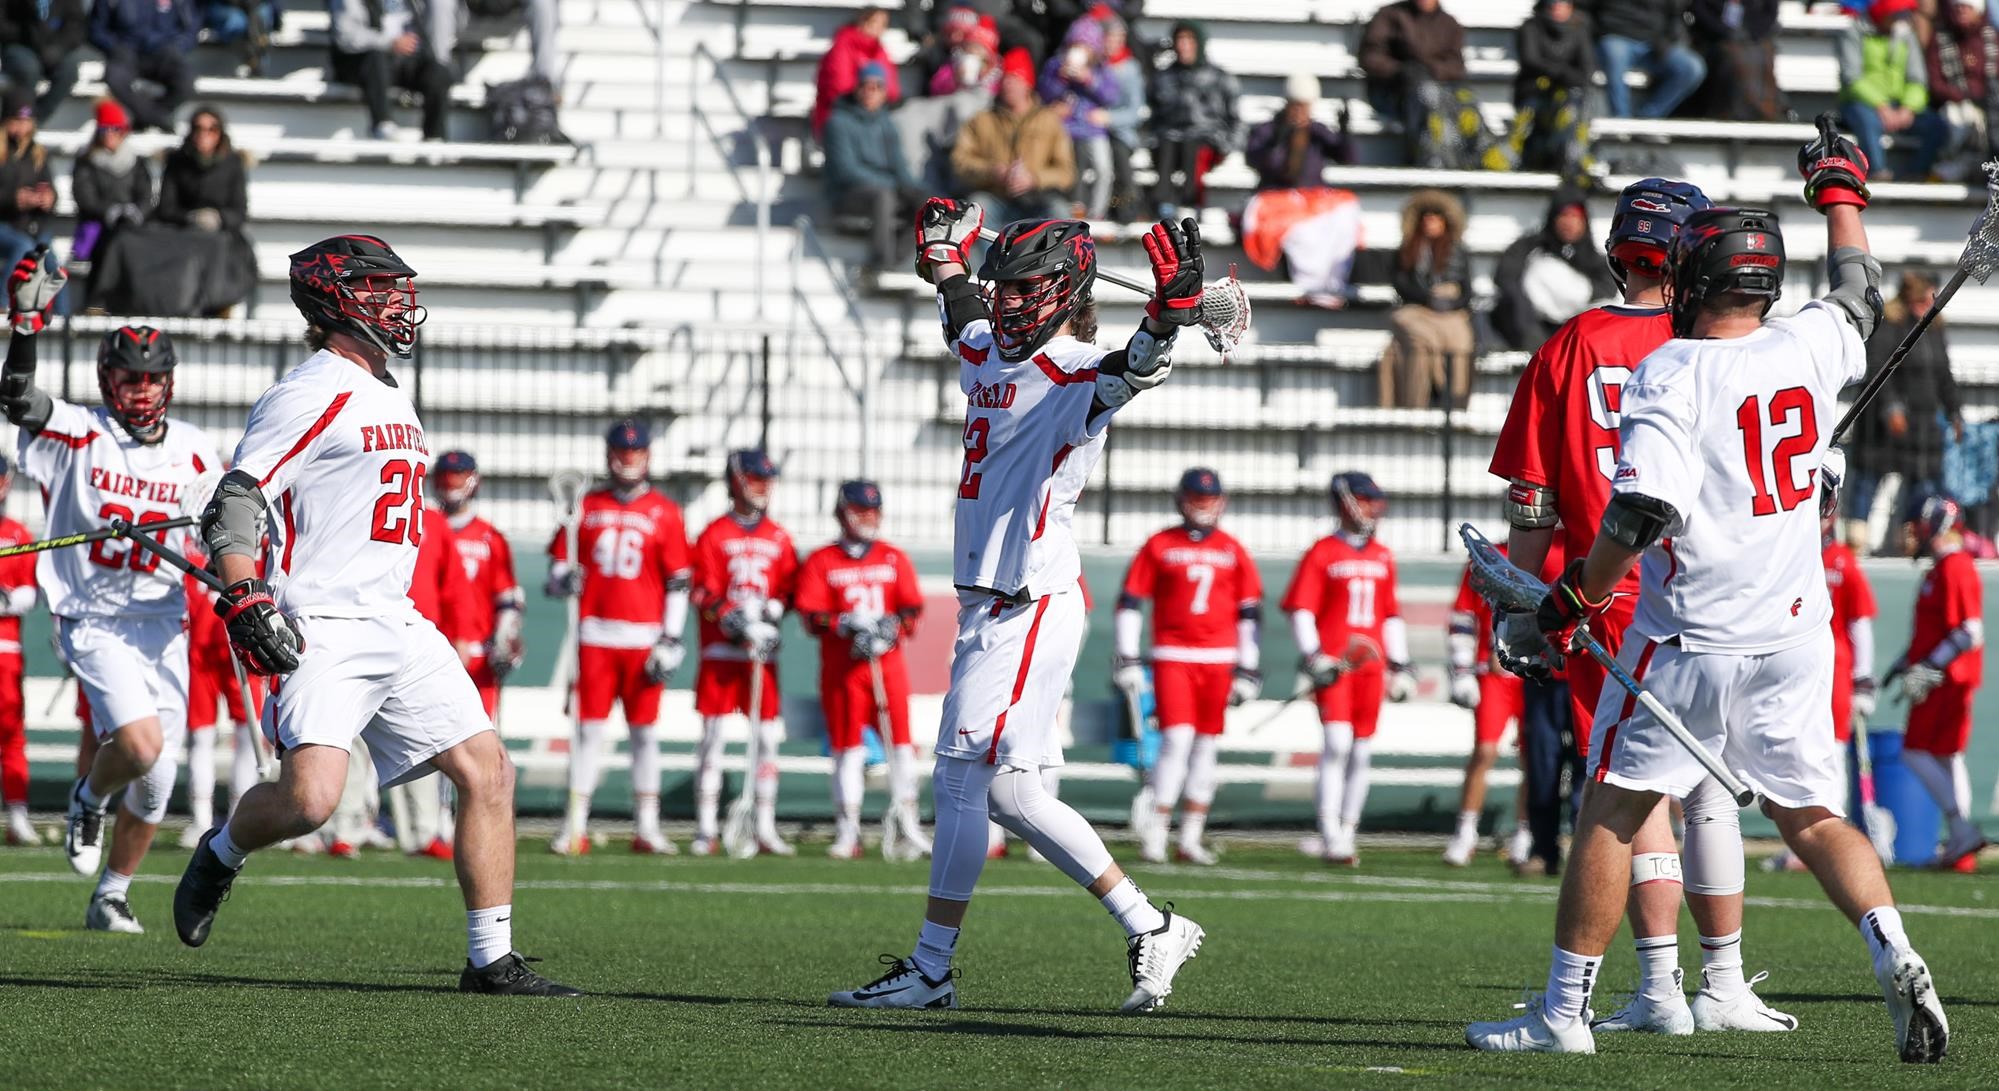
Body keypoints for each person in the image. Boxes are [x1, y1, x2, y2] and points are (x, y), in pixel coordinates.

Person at [1471, 129, 1951, 1062]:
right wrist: (1839, 190)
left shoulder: (1671, 368)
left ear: (1690, 279)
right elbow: (1857, 289)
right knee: (1813, 815)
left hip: (1687, 634)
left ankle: (1564, 1010)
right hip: (1794, 631)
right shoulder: (1809, 342)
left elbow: (1641, 510)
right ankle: (1891, 944)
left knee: (1612, 803)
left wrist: (1572, 595)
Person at [169, 235, 579, 997]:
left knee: (487, 769)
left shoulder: (390, 390)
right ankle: (221, 850)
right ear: (336, 300)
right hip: (321, 619)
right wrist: (246, 590)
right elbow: (236, 495)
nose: (399, 303)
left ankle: (491, 958)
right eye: (381, 289)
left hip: (396, 617)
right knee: (311, 799)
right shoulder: (310, 386)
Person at [828, 201, 1203, 1013]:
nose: (1004, 300)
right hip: (997, 603)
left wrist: (1165, 320)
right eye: (1003, 285)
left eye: (1025, 286)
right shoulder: (982, 345)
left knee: (963, 778)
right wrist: (947, 261)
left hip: (1025, 598)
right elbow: (961, 313)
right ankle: (1149, 923)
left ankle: (931, 967)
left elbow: (1130, 370)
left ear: (1065, 290)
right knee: (1010, 795)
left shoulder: (1072, 370)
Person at [1487, 176, 1795, 1035]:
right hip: (1725, 590)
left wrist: (1522, 600)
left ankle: (1660, 990)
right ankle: (1722, 982)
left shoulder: (1574, 343)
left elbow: (1532, 496)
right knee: (1703, 790)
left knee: (1633, 793)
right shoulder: (1729, 341)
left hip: (1607, 594)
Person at [2, 255, 220, 935]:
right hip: (94, 616)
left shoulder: (193, 450)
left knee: (158, 781)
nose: (144, 390)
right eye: (131, 378)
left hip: (163, 620)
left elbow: (218, 527)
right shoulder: (79, 431)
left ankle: (112, 894)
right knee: (140, 742)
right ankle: (89, 794)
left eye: (154, 378)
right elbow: (16, 397)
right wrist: (26, 324)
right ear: (107, 379)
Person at [545, 419, 690, 856]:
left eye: (635, 452)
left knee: (644, 733)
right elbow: (556, 571)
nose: (628, 460)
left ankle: (647, 824)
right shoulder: (585, 506)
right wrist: (563, 578)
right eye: (621, 452)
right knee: (588, 732)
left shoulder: (665, 511)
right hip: (595, 635)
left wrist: (671, 638)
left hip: (644, 637)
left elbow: (678, 581)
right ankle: (575, 823)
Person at [1116, 467, 1262, 867]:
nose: (1204, 505)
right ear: (1182, 499)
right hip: (1174, 655)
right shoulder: (1160, 544)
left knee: (1205, 747)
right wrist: (1127, 656)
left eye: (1209, 498)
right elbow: (1130, 601)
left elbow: (1249, 611)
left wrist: (1248, 666)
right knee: (1177, 741)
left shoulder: (1232, 549)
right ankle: (1158, 834)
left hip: (1218, 658)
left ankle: (1192, 836)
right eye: (1198, 497)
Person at [1282, 473, 1414, 866]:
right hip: (1336, 666)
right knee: (1337, 745)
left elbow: (1389, 614)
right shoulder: (1322, 551)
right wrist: (1314, 655)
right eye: (1365, 499)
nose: (1373, 507)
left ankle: (1348, 830)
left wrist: (1400, 662)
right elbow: (1302, 608)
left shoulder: (1382, 555)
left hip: (1370, 668)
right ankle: (1329, 830)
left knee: (1361, 750)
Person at [794, 480, 928, 860]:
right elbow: (811, 614)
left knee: (900, 746)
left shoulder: (892, 557)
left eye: (874, 510)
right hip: (843, 668)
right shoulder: (823, 560)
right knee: (847, 749)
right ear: (843, 512)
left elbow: (911, 610)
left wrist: (890, 629)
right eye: (861, 510)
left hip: (887, 666)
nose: (869, 518)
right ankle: (847, 830)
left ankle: (908, 826)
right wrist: (843, 624)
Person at [689, 448, 797, 857]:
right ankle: (704, 828)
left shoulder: (778, 536)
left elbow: (790, 587)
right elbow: (703, 591)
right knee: (713, 740)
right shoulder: (714, 534)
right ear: (735, 481)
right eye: (755, 478)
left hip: (761, 657)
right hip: (721, 652)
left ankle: (765, 826)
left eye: (767, 479)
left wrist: (774, 611)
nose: (763, 487)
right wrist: (733, 619)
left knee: (767, 739)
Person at [1889, 494, 1987, 868]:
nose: (1914, 535)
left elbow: (1969, 630)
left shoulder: (1955, 566)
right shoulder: (1941, 568)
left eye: (1918, 526)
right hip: (1942, 676)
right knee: (1947, 756)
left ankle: (1961, 828)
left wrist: (1930, 665)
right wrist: (1905, 660)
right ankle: (1961, 841)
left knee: (1914, 751)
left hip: (1947, 679)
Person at [1444, 539, 1549, 869]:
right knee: (1486, 751)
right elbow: (1462, 615)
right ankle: (1466, 832)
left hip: (1535, 671)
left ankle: (1524, 832)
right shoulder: (1489, 555)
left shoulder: (1555, 551)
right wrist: (1461, 670)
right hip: (1494, 672)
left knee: (1534, 758)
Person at [1844, 272, 1963, 549]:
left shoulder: (1934, 330)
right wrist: (1892, 408)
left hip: (1922, 424)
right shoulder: (1891, 326)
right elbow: (1879, 370)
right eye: (1922, 300)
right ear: (1910, 299)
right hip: (1884, 426)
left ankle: (1911, 540)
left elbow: (1944, 374)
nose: (1927, 306)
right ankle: (1855, 541)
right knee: (1868, 480)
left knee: (1921, 484)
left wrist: (1954, 411)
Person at [436, 450, 522, 722]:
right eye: (447, 478)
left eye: (458, 477)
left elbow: (507, 600)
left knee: (481, 739)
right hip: (433, 652)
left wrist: (504, 640)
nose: (451, 484)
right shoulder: (424, 530)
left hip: (478, 656)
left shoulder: (490, 538)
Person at [824, 61, 925, 274]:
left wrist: (912, 189)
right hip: (848, 193)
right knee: (884, 197)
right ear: (857, 89)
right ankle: (880, 262)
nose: (871, 92)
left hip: (884, 188)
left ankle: (897, 259)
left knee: (924, 203)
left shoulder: (887, 123)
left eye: (877, 87)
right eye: (866, 86)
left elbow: (899, 166)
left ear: (884, 92)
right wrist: (892, 185)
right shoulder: (838, 122)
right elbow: (846, 170)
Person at [952, 48, 1074, 224]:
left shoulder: (1049, 121)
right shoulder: (982, 120)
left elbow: (1066, 172)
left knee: (1060, 211)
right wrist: (992, 171)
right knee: (977, 208)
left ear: (1027, 83)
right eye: (1006, 79)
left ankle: (1055, 252)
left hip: (1038, 199)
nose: (1009, 85)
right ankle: (992, 252)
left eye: (1015, 79)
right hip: (997, 198)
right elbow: (960, 162)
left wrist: (1034, 178)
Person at [1359, 0, 1486, 168]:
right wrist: (1401, 70)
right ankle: (1430, 158)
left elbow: (1457, 67)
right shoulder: (1389, 16)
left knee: (1466, 100)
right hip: (1393, 92)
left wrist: (1430, 70)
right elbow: (1370, 57)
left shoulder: (1449, 24)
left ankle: (1476, 156)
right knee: (1427, 94)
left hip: (1439, 91)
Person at [1378, 189, 1473, 410]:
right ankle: (1416, 402)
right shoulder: (1406, 251)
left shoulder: (1457, 253)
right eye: (1426, 218)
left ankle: (1453, 399)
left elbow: (1467, 292)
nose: (1430, 223)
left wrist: (1450, 300)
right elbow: (1401, 286)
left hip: (1450, 313)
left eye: (1435, 218)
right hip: (1416, 311)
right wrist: (1428, 298)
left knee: (1460, 341)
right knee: (1421, 342)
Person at [1492, 186, 1617, 353]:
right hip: (1533, 327)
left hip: (1573, 329)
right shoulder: (1529, 248)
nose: (1569, 223)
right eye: (1564, 216)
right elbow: (1506, 279)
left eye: (1575, 217)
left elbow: (1606, 290)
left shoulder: (1594, 259)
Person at [1489, 0, 1599, 182]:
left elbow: (1587, 69)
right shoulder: (1530, 28)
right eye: (1553, 4)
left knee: (1575, 106)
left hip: (1566, 95)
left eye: (1562, 4)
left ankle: (1570, 159)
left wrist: (1562, 77)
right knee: (1527, 118)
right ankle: (1511, 160)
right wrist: (1562, 73)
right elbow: (1531, 61)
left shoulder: (1580, 30)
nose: (1557, 7)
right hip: (1533, 92)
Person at [1838, 0, 1948, 182]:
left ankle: (1917, 173)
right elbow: (1852, 79)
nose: (1902, 17)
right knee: (1867, 121)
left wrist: (1908, 108)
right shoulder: (1854, 32)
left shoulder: (1906, 34)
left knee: (1937, 126)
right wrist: (1881, 106)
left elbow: (1917, 79)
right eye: (1897, 12)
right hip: (1862, 103)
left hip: (1899, 105)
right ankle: (1877, 171)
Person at [1145, 20, 1237, 220]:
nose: (1183, 45)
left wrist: (1228, 144)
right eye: (1180, 39)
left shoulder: (1218, 77)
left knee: (1191, 145)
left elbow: (1234, 117)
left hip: (1206, 138)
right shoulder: (1163, 77)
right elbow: (1154, 115)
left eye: (1189, 40)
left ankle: (1191, 201)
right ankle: (1162, 202)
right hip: (1170, 138)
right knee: (1167, 143)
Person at [328, 0, 455, 141]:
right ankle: (383, 124)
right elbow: (346, 36)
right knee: (375, 58)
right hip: (361, 63)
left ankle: (434, 136)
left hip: (403, 61)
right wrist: (390, 43)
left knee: (438, 71)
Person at [1037, 17, 1119, 221]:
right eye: (1075, 45)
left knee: (1103, 169)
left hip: (1093, 128)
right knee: (1073, 170)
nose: (1079, 50)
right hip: (1066, 128)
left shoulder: (1101, 69)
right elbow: (1044, 93)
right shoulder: (1056, 65)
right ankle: (1074, 210)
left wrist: (1090, 80)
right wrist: (1061, 79)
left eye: (1085, 46)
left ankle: (1098, 211)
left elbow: (1111, 96)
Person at [1584, 0, 1708, 119]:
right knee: (1614, 54)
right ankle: (1621, 120)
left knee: (1693, 67)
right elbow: (1587, 9)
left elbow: (1675, 17)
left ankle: (1647, 118)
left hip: (1654, 44)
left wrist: (1668, 40)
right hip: (1615, 36)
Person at [69, 101, 153, 276]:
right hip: (98, 225)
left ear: (123, 131)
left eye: (115, 129)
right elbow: (84, 198)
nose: (109, 134)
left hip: (129, 225)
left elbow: (145, 195)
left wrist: (134, 212)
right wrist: (110, 211)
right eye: (104, 129)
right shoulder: (86, 161)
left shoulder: (136, 162)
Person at [90, 0, 198, 134]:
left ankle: (147, 117)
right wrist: (115, 47)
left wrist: (177, 48)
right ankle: (157, 118)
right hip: (126, 52)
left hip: (164, 52)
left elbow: (191, 29)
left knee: (186, 81)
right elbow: (96, 30)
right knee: (114, 77)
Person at [0, 455, 36, 847]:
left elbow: (28, 593)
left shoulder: (17, 533)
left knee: (10, 735)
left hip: (5, 648)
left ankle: (17, 815)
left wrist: (4, 600)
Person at [1245, 72, 1355, 191]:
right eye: (1295, 105)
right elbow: (1254, 161)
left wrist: (1344, 133)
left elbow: (1347, 159)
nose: (1299, 111)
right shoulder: (1267, 131)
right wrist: (1276, 143)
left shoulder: (1317, 131)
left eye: (1304, 106)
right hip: (1275, 196)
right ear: (1287, 104)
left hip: (1310, 199)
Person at [1924, 0, 1999, 173]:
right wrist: (1963, 97)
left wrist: (1984, 99)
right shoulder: (1940, 37)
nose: (1961, 11)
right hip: (1952, 104)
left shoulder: (1992, 38)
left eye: (1966, 7)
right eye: (1957, 7)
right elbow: (1935, 82)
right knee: (1957, 119)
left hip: (1989, 105)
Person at [1690, 0, 1787, 122]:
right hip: (1715, 38)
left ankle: (1762, 107)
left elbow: (1770, 13)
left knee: (1762, 56)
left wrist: (1752, 34)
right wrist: (1726, 33)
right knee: (1732, 59)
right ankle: (1730, 110)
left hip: (1752, 36)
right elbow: (1699, 10)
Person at [814, 5, 900, 139]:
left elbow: (891, 88)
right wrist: (871, 97)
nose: (881, 29)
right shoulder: (843, 45)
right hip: (841, 115)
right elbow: (840, 88)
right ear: (863, 22)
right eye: (876, 23)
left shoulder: (879, 50)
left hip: (871, 117)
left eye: (884, 25)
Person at [0, 0, 88, 124]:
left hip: (54, 46)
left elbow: (76, 26)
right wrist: (27, 35)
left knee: (69, 70)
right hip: (20, 45)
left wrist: (59, 48)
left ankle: (34, 121)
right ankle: (16, 118)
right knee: (28, 69)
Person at [0, 88, 53, 275]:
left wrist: (48, 199)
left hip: (28, 223)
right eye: (17, 121)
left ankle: (64, 306)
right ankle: (3, 301)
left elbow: (49, 186)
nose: (22, 128)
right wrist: (14, 199)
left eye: (26, 122)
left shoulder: (36, 153)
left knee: (50, 258)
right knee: (23, 245)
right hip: (4, 223)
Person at [1100, 12, 1144, 223]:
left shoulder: (1130, 69)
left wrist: (1108, 118)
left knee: (1117, 152)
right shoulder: (1094, 65)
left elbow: (1134, 112)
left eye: (1118, 38)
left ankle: (1126, 203)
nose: (1113, 43)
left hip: (1119, 131)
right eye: (1109, 38)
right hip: (1092, 130)